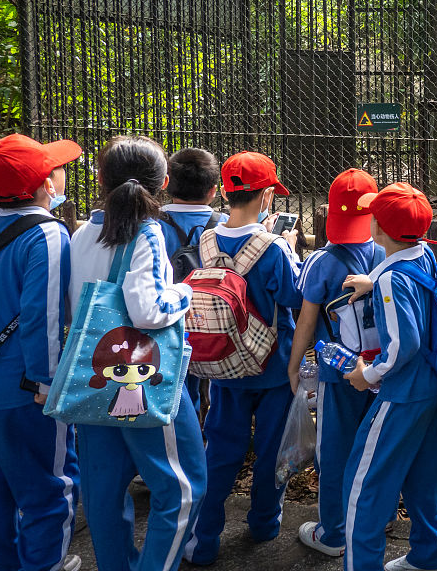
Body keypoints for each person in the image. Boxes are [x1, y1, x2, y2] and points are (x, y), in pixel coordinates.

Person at [68, 135, 207, 571]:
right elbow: (148, 310)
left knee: (103, 492)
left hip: (94, 377)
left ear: (100, 180)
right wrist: (186, 291)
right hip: (146, 377)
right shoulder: (146, 233)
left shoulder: (83, 232)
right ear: (163, 182)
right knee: (184, 488)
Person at [184, 151, 301, 566]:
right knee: (271, 450)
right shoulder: (273, 249)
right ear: (268, 196)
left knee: (220, 450)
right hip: (272, 366)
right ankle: (265, 523)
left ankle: (205, 537)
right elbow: (293, 298)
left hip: (223, 365)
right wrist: (287, 248)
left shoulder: (207, 238)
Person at [0, 134, 83, 571]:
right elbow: (44, 319)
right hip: (26, 391)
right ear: (45, 185)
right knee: (49, 492)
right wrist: (49, 383)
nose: (62, 174)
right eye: (56, 169)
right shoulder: (47, 234)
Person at [339, 182, 437, 571]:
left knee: (363, 487)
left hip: (402, 394)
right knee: (424, 477)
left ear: (380, 231)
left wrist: (366, 374)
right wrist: (375, 283)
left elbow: (405, 345)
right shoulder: (421, 256)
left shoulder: (390, 278)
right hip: (434, 389)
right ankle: (429, 553)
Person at [288, 169, 384, 557]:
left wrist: (294, 366)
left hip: (338, 372)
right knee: (375, 447)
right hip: (380, 370)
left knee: (335, 450)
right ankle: (373, 518)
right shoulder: (387, 253)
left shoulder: (321, 261)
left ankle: (333, 532)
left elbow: (307, 321)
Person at [158, 147, 224, 414]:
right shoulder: (225, 225)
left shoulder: (152, 223)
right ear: (213, 189)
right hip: (215, 324)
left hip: (167, 321)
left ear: (167, 183)